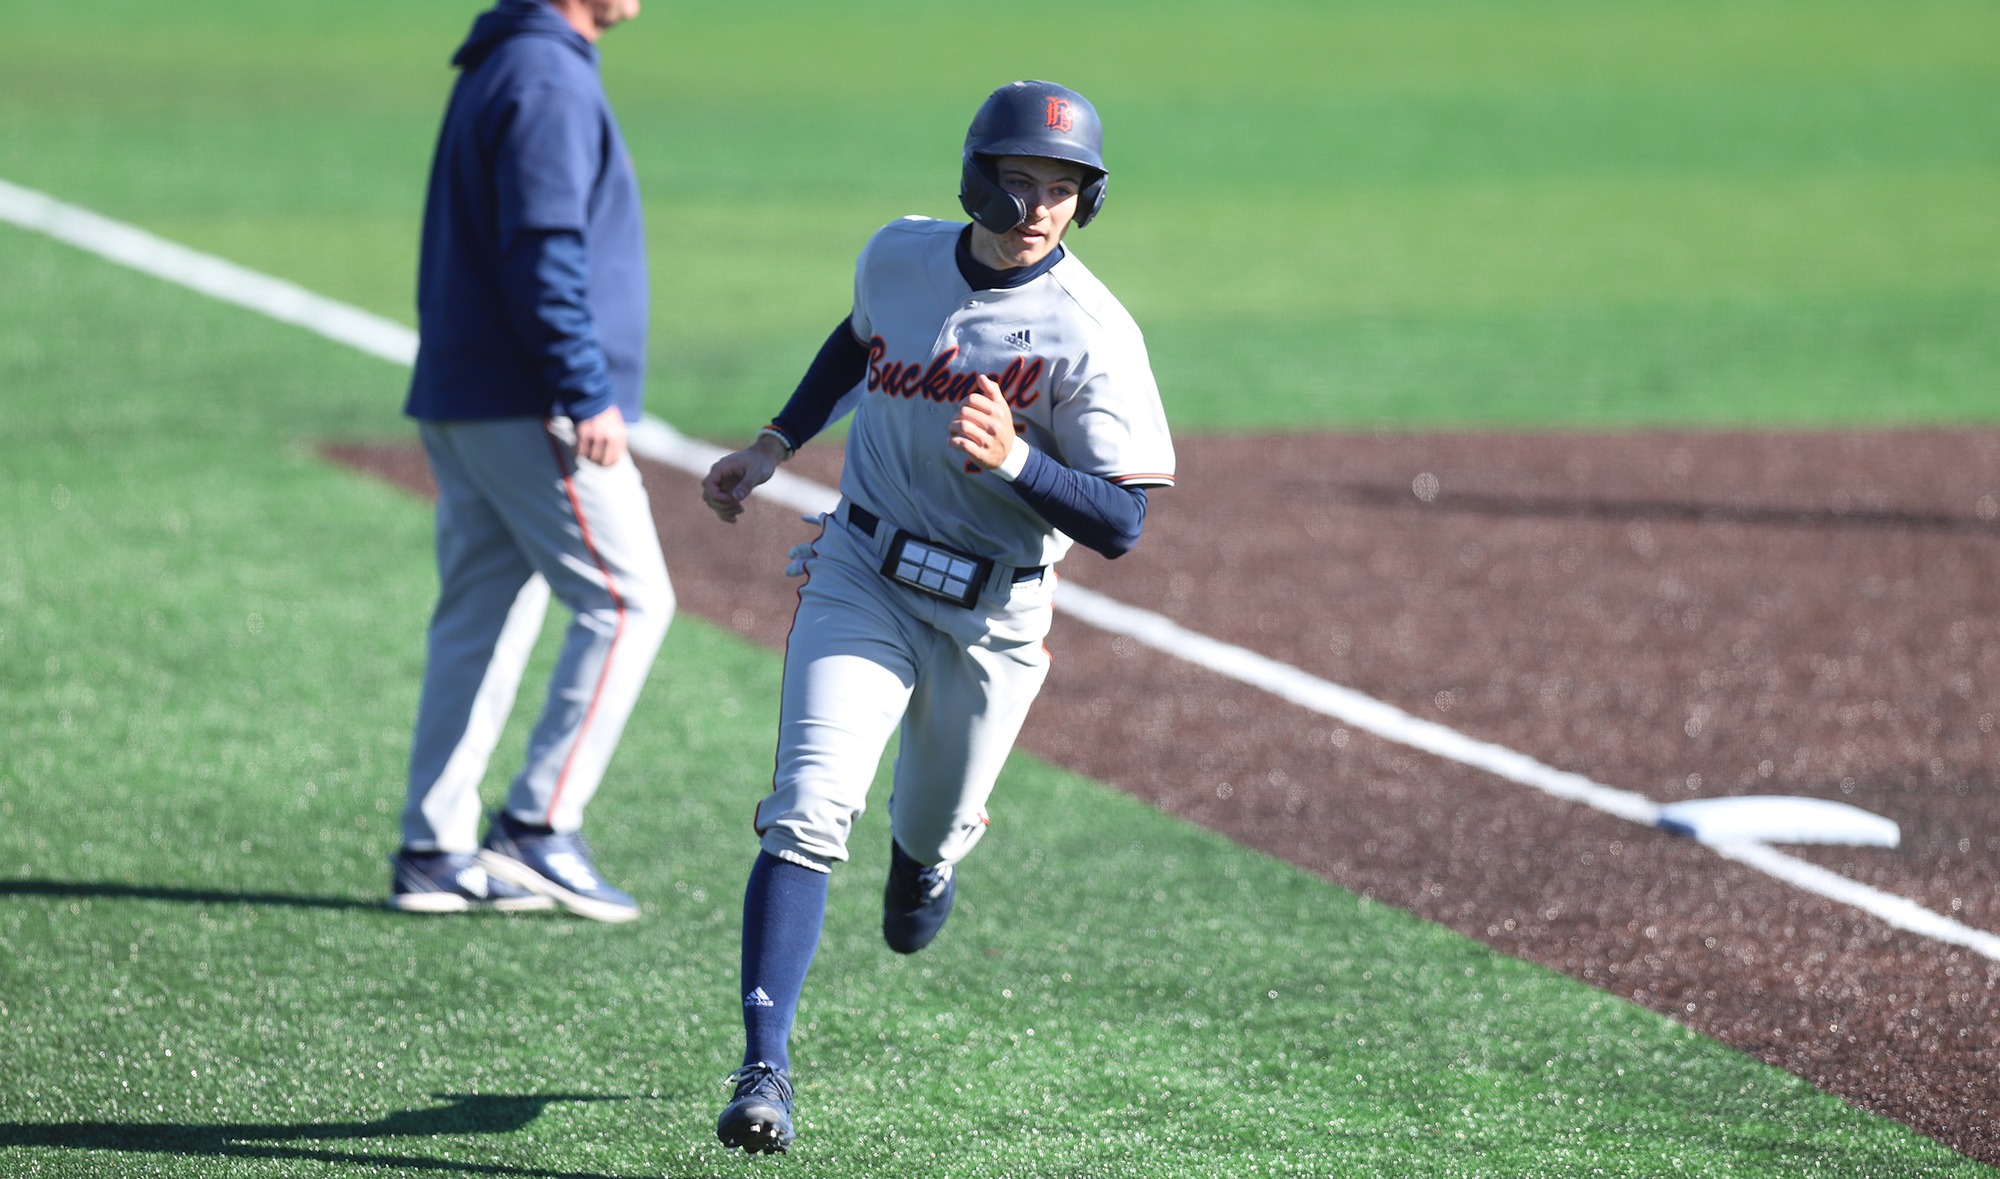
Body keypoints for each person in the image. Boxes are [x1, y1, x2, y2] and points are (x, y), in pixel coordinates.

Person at [698, 80, 1176, 1154]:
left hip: (993, 619)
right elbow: (858, 339)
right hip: (859, 576)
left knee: (921, 846)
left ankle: (929, 855)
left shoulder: (1092, 333)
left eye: (1064, 189)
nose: (1040, 208)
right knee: (807, 811)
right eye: (1021, 182)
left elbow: (1122, 522)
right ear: (974, 180)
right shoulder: (898, 255)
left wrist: (1015, 461)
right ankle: (763, 1068)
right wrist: (774, 443)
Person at [386, 0, 671, 924]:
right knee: (628, 601)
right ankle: (538, 825)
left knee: (482, 612)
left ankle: (433, 848)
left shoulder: (506, 60)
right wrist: (583, 388)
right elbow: (544, 251)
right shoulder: (544, 75)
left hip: (468, 392)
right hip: (530, 399)